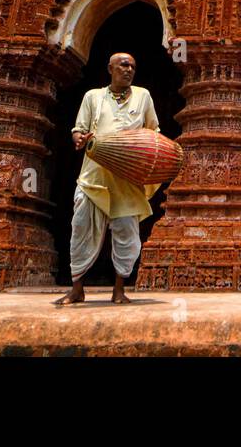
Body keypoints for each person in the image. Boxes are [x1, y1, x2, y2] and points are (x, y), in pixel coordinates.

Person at [54, 52, 160, 305]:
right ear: (110, 68)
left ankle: (119, 290)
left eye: (133, 66)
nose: (129, 70)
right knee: (81, 230)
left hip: (126, 178)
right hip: (94, 176)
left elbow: (153, 130)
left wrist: (143, 151)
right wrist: (78, 138)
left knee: (127, 235)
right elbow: (79, 129)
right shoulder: (93, 96)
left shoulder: (143, 95)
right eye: (123, 65)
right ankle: (77, 288)